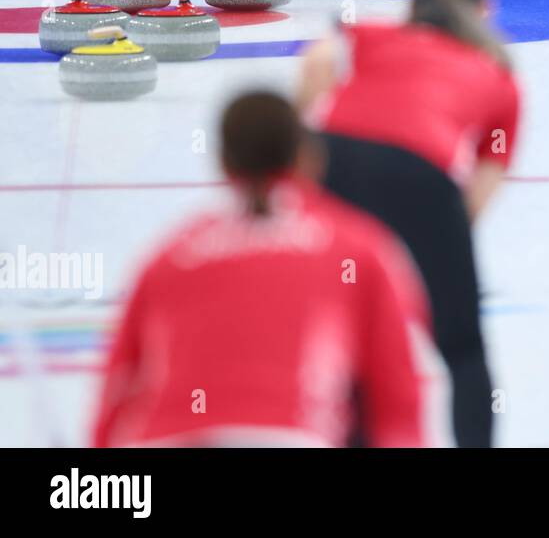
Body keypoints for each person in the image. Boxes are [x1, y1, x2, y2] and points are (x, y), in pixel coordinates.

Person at [92, 91, 429, 448]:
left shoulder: (171, 256)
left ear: (223, 162)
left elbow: (118, 388)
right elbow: (398, 400)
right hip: (290, 436)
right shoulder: (355, 247)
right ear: (307, 157)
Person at [296, 0, 518, 447]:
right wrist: (437, 237)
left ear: (414, 6)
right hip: (422, 176)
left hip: (334, 162)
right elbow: (485, 179)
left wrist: (296, 155)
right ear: (483, 8)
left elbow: (318, 62)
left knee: (347, 338)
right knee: (462, 349)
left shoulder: (375, 35)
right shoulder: (498, 72)